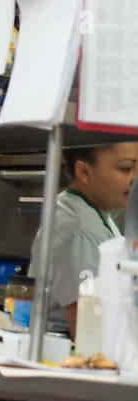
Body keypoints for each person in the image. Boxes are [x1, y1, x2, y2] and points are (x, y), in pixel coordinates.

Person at [29, 143, 138, 337]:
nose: (135, 178)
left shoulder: (91, 213)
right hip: (67, 349)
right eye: (126, 168)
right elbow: (88, 328)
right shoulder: (78, 228)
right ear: (84, 172)